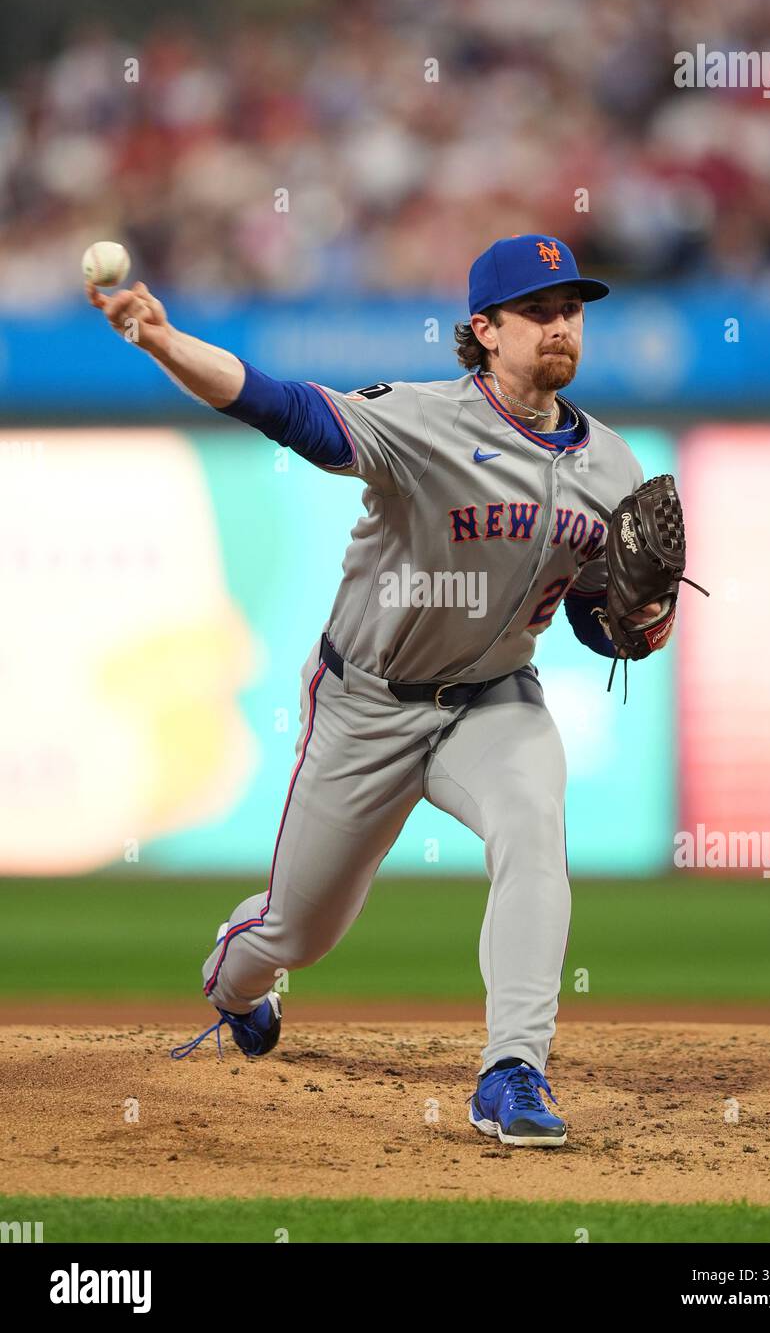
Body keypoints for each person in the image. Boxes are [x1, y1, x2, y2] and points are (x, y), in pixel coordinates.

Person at [87, 233, 671, 1147]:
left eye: (573, 309)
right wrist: (161, 338)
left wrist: (637, 626)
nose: (562, 326)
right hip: (368, 704)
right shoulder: (424, 421)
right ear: (484, 328)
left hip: (493, 700)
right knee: (294, 935)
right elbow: (279, 407)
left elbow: (602, 620)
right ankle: (234, 986)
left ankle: (512, 1071)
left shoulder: (614, 467)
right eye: (539, 311)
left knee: (532, 829)